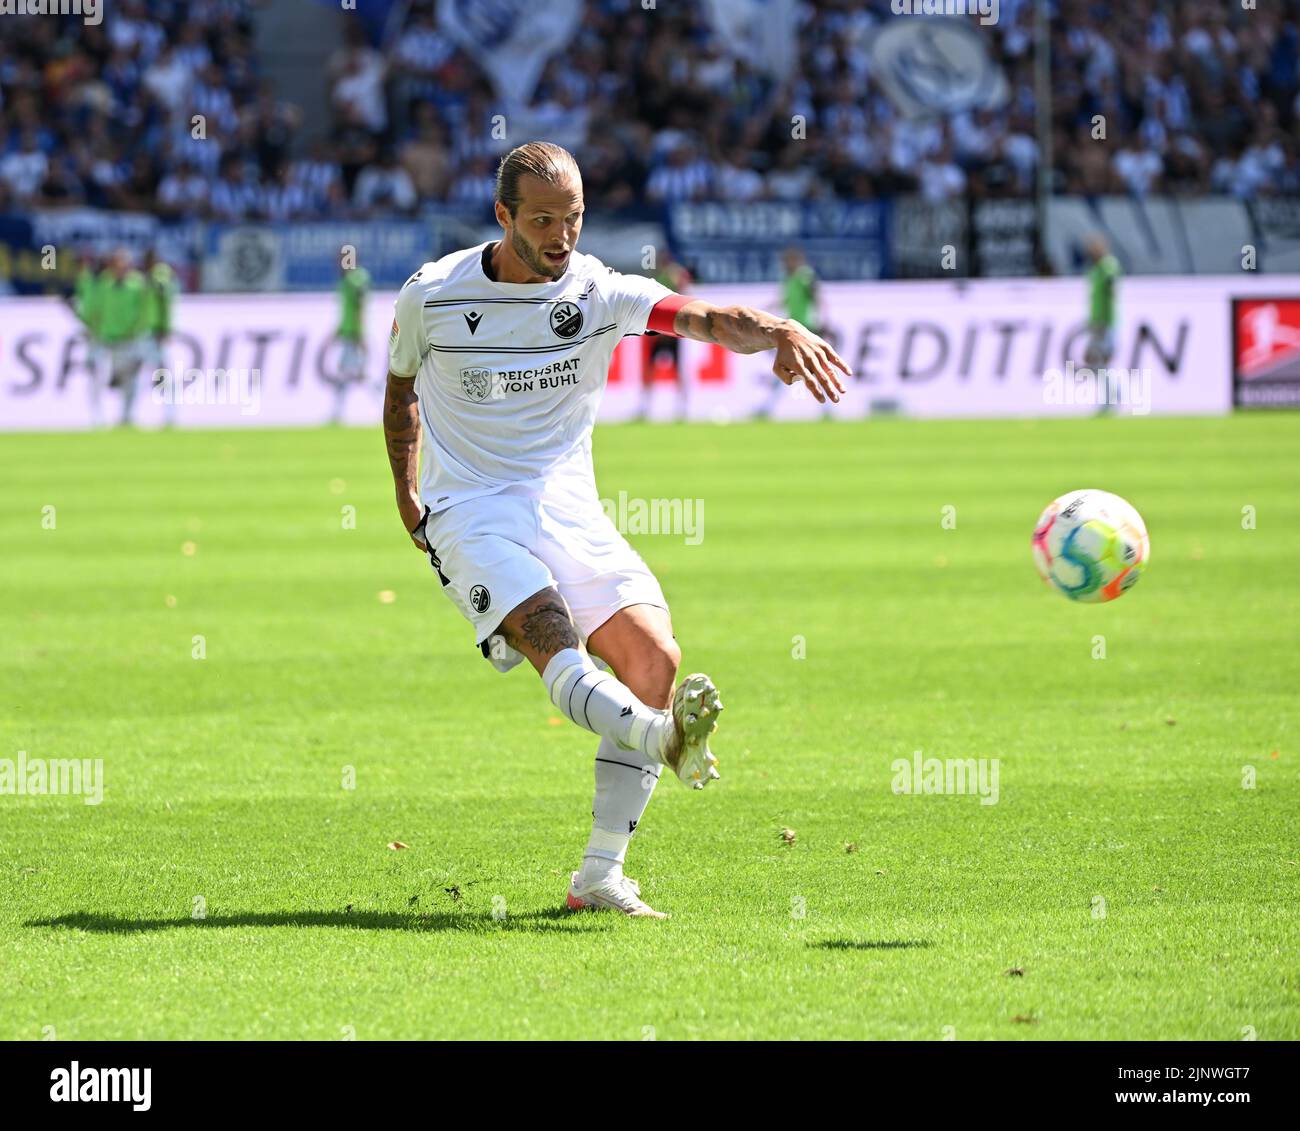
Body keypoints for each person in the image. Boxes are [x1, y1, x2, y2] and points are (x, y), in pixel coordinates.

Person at [383, 142, 849, 918]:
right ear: (503, 217)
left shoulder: (598, 290)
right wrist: (407, 494)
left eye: (572, 218)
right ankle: (664, 739)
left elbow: (699, 316)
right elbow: (400, 390)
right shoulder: (431, 295)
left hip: (568, 506)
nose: (561, 236)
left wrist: (776, 329)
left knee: (654, 659)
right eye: (542, 220)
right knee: (556, 645)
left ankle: (599, 876)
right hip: (469, 505)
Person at [758, 246, 828, 419]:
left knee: (805, 367)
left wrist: (822, 318)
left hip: (805, 327)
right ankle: (768, 406)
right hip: (792, 328)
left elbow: (815, 296)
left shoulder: (804, 276)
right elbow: (787, 300)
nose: (786, 264)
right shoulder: (789, 279)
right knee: (789, 366)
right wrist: (769, 309)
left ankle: (827, 407)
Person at [96, 249, 150, 427]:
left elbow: (144, 310)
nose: (120, 268)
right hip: (109, 338)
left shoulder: (137, 283)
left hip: (130, 338)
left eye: (123, 264)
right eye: (117, 264)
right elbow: (98, 308)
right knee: (106, 379)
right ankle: (100, 418)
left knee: (131, 380)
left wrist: (138, 329)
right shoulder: (105, 282)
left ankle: (127, 416)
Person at [638, 248, 692, 422]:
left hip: (669, 333)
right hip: (663, 332)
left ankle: (681, 409)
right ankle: (646, 407)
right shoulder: (661, 278)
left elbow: (680, 296)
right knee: (652, 369)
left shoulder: (672, 277)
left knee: (675, 370)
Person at [1083, 234, 1121, 414]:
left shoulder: (1108, 266)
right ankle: (1113, 394)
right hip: (1097, 323)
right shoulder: (1097, 269)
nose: (1091, 251)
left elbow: (1111, 292)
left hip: (1105, 324)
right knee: (1095, 361)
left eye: (1094, 247)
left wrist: (1103, 323)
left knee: (1100, 361)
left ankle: (1111, 397)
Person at [332, 261, 372, 424]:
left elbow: (359, 307)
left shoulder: (356, 279)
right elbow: (347, 310)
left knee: (357, 374)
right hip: (349, 334)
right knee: (352, 373)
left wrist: (361, 333)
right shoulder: (346, 281)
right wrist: (339, 330)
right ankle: (337, 413)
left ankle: (337, 413)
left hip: (355, 336)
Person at [142, 250, 179, 426]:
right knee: (154, 375)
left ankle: (170, 415)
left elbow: (166, 303)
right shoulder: (146, 279)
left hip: (156, 333)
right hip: (146, 333)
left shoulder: (158, 278)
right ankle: (133, 414)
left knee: (162, 374)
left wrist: (165, 330)